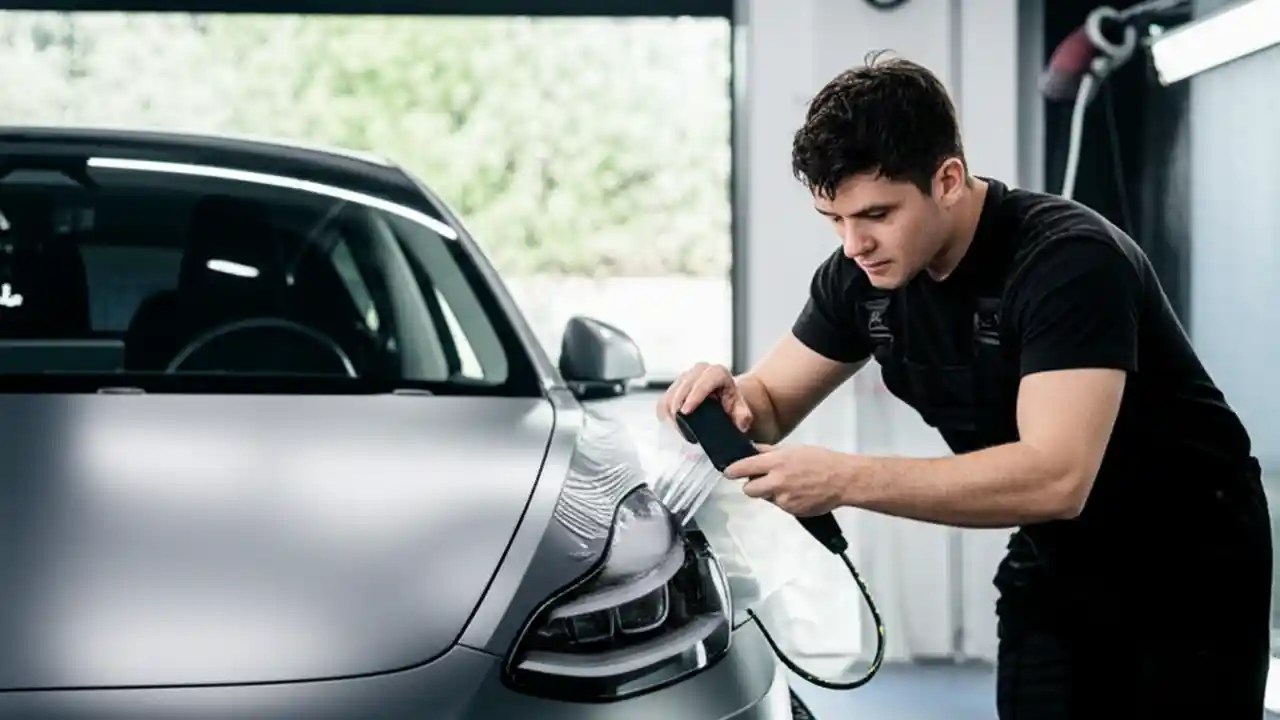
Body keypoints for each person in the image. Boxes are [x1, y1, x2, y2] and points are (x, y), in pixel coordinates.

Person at [658, 51, 1272, 718]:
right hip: (1056, 559)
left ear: (947, 179)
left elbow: (1057, 477)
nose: (854, 243)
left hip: (1189, 563)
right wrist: (727, 396)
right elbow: (770, 404)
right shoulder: (860, 278)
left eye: (876, 214)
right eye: (834, 220)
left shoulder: (1069, 262)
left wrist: (843, 479)